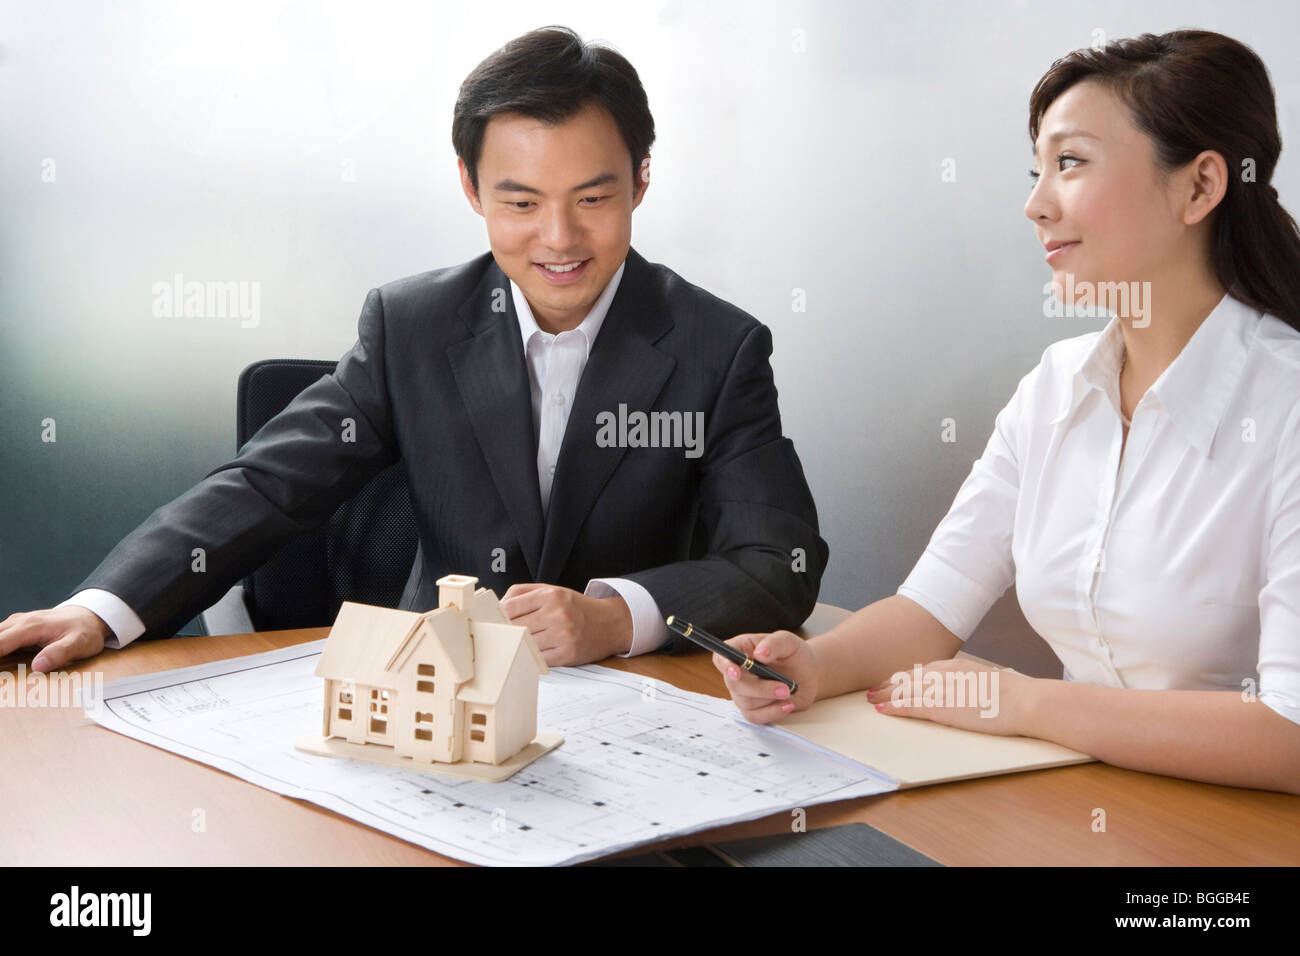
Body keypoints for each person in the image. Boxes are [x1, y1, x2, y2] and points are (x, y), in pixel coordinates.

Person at [1, 25, 827, 673]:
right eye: (521, 201)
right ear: (471, 188)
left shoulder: (720, 349)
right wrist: (102, 609)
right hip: (431, 701)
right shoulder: (414, 327)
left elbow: (778, 562)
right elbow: (266, 485)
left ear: (641, 180)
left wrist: (617, 614)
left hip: (639, 712)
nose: (559, 238)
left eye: (594, 198)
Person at [716, 29, 1300, 795]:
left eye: (1071, 163)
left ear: (1199, 187)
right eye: (1037, 171)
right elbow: (931, 607)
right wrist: (812, 665)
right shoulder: (1057, 385)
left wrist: (1023, 701)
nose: (1034, 205)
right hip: (1090, 800)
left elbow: (1289, 736)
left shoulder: (1284, 406)